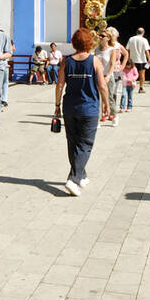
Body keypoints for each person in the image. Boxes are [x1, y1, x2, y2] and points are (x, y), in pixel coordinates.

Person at [53, 28, 110, 197]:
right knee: (85, 144)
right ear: (89, 43)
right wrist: (106, 104)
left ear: (74, 42)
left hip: (70, 107)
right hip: (89, 108)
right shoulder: (94, 61)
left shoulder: (66, 61)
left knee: (72, 142)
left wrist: (57, 104)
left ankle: (82, 175)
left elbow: (59, 85)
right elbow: (102, 85)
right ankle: (74, 178)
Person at [126, 27, 150, 93]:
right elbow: (146, 51)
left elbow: (127, 49)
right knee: (142, 74)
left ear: (136, 32)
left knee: (131, 73)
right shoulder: (144, 40)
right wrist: (149, 59)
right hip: (141, 60)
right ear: (143, 33)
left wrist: (127, 58)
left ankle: (130, 87)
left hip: (132, 59)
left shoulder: (131, 39)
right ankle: (141, 88)